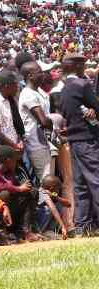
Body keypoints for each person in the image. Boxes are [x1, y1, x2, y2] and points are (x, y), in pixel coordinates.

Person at [58, 52, 99, 236]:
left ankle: (83, 226)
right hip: (88, 139)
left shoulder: (65, 87)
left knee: (81, 184)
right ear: (76, 66)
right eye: (82, 64)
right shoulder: (82, 85)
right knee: (96, 180)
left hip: (74, 141)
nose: (84, 67)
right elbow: (96, 107)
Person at [0, 146, 41, 242]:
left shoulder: (10, 171)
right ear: (8, 160)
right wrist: (18, 188)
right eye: (15, 160)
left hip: (6, 207)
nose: (16, 162)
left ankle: (25, 231)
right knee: (4, 194)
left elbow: (17, 188)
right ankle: (1, 232)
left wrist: (26, 187)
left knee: (31, 193)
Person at [18, 61, 53, 184]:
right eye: (39, 72)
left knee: (52, 180)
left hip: (45, 142)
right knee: (47, 182)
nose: (43, 74)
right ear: (30, 76)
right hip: (36, 145)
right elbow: (43, 121)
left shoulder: (38, 92)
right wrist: (57, 119)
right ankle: (46, 203)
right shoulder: (28, 94)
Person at [0, 70, 24, 159]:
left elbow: (11, 126)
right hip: (0, 155)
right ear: (7, 86)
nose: (18, 87)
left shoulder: (8, 100)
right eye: (15, 84)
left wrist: (19, 141)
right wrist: (14, 146)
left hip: (11, 152)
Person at [37, 175, 71, 240]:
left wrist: (56, 197)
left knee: (59, 205)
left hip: (44, 222)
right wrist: (62, 226)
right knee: (48, 209)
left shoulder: (51, 193)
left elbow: (69, 204)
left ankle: (49, 231)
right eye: (58, 189)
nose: (59, 191)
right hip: (37, 223)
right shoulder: (42, 192)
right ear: (51, 188)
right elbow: (52, 208)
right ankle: (41, 232)